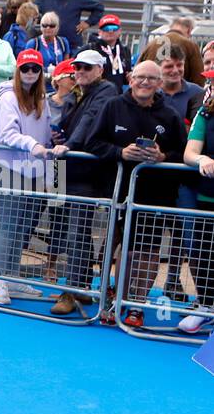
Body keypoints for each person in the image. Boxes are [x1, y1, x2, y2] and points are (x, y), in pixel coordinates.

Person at [74, 59, 185, 328]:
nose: (144, 82)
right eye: (140, 77)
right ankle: (115, 298)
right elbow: (92, 142)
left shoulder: (169, 116)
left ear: (160, 84)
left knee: (146, 252)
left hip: (156, 194)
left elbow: (183, 155)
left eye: (151, 78)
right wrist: (120, 153)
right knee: (118, 248)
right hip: (117, 189)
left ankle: (137, 304)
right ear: (130, 79)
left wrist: (162, 156)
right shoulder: (113, 107)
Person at [47, 49, 123, 316]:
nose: (80, 72)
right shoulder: (78, 94)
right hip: (73, 171)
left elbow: (89, 122)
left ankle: (73, 291)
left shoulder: (106, 92)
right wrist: (61, 140)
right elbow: (71, 124)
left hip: (90, 173)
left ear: (100, 70)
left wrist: (69, 145)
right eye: (77, 68)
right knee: (75, 231)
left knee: (76, 232)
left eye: (87, 68)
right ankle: (80, 287)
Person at [0, 49, 55, 306]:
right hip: (8, 168)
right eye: (25, 68)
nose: (30, 73)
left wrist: (51, 173)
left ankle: (13, 276)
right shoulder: (7, 97)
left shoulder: (42, 98)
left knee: (24, 226)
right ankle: (0, 280)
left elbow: (48, 136)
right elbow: (7, 133)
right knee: (8, 225)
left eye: (35, 69)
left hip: (35, 171)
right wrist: (33, 145)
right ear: (17, 70)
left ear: (41, 72)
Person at [180, 84, 214, 332]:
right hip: (208, 197)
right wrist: (202, 159)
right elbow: (190, 153)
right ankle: (206, 306)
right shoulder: (205, 113)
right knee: (204, 254)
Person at [139, 34, 204, 122]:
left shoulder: (197, 93)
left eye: (179, 65)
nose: (175, 70)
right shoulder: (148, 92)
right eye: (169, 66)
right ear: (158, 67)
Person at [35, 0, 103, 51]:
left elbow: (99, 8)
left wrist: (88, 22)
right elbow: (31, 10)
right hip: (49, 46)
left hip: (72, 45)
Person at [88, 13, 131, 91]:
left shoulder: (125, 50)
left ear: (120, 31)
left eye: (114, 28)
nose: (110, 31)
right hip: (96, 95)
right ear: (99, 32)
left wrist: (130, 76)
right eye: (106, 28)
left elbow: (125, 79)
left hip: (117, 95)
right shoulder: (90, 48)